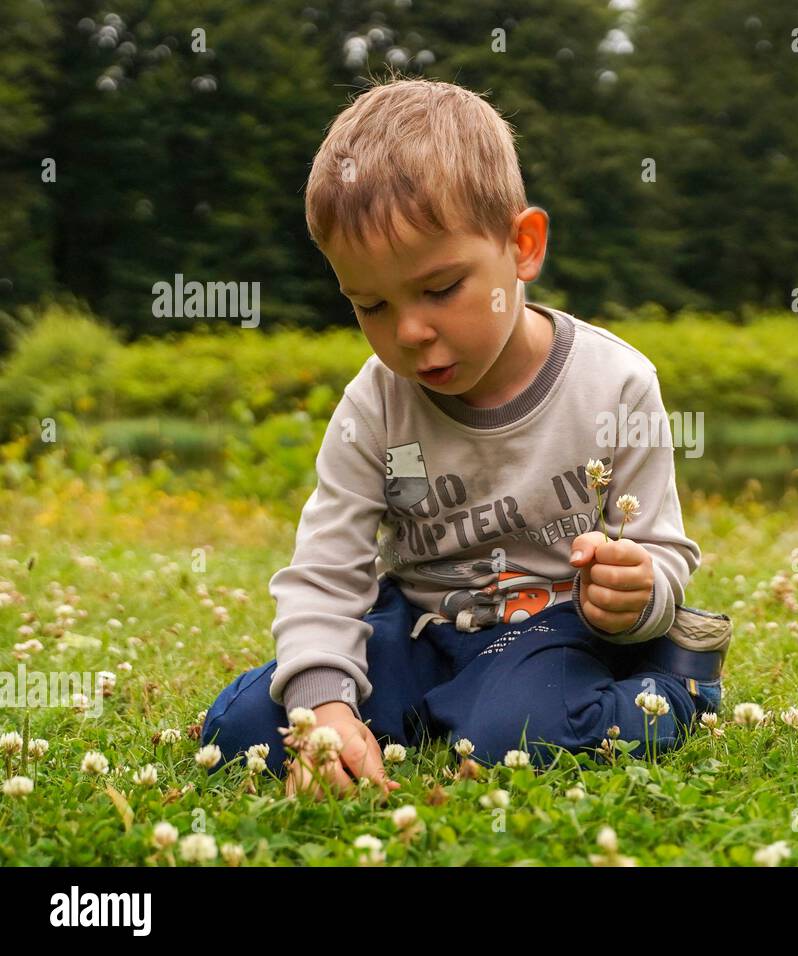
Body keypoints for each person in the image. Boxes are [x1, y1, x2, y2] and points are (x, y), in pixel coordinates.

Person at [200, 76, 730, 798]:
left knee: (513, 732)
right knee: (244, 732)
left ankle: (668, 691)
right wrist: (323, 706)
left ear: (522, 246)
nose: (410, 331)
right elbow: (327, 574)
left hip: (554, 629)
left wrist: (640, 596)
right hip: (418, 632)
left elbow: (661, 552)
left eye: (441, 288)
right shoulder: (374, 406)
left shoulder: (616, 385)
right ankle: (427, 710)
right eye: (372, 305)